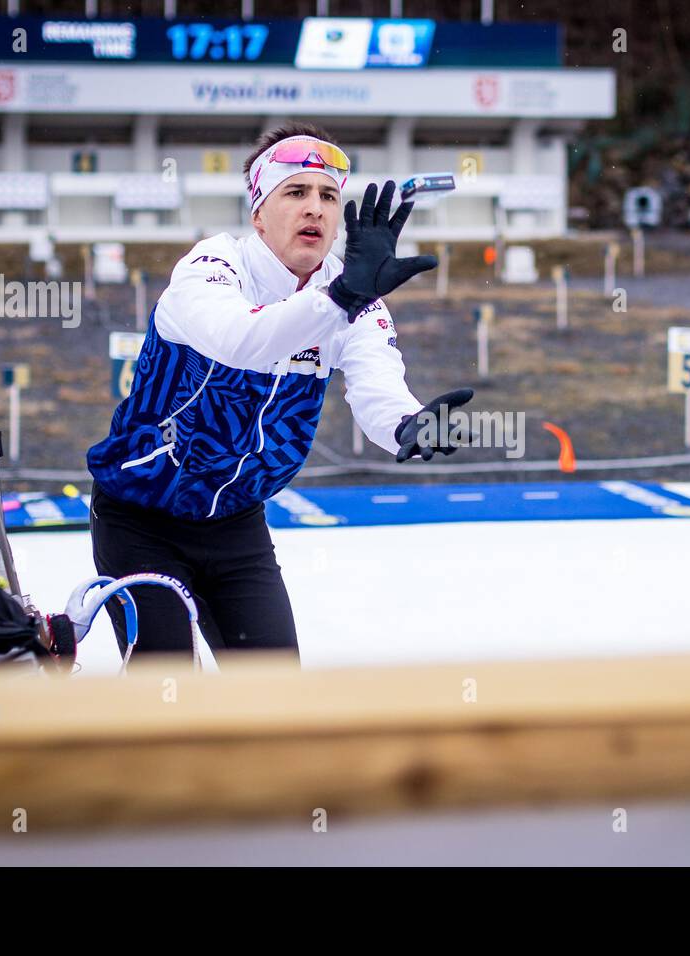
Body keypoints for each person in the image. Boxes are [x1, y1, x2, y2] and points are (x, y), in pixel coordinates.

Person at [86, 122, 472, 662]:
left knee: (276, 690)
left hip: (238, 521)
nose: (315, 208)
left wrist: (407, 424)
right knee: (163, 682)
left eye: (328, 196)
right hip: (141, 514)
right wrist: (340, 297)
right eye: (295, 192)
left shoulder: (351, 296)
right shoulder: (212, 265)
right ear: (258, 213)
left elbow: (377, 382)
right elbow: (240, 340)